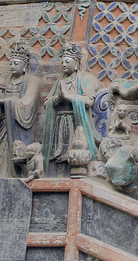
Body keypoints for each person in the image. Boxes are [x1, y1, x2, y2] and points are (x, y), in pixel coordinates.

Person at [0, 41, 42, 177]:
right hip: (2, 122)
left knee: (15, 149)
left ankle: (14, 173)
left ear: (24, 65)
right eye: (11, 63)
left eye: (16, 63)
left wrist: (7, 103)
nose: (12, 66)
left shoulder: (32, 81)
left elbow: (27, 103)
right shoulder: (5, 81)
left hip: (17, 123)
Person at [42, 43, 99, 177]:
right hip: (59, 123)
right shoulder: (60, 81)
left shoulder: (85, 78)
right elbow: (46, 103)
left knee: (76, 150)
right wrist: (57, 99)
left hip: (76, 122)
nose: (64, 64)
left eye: (67, 61)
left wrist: (70, 97)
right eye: (62, 62)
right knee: (57, 154)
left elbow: (89, 101)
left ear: (77, 62)